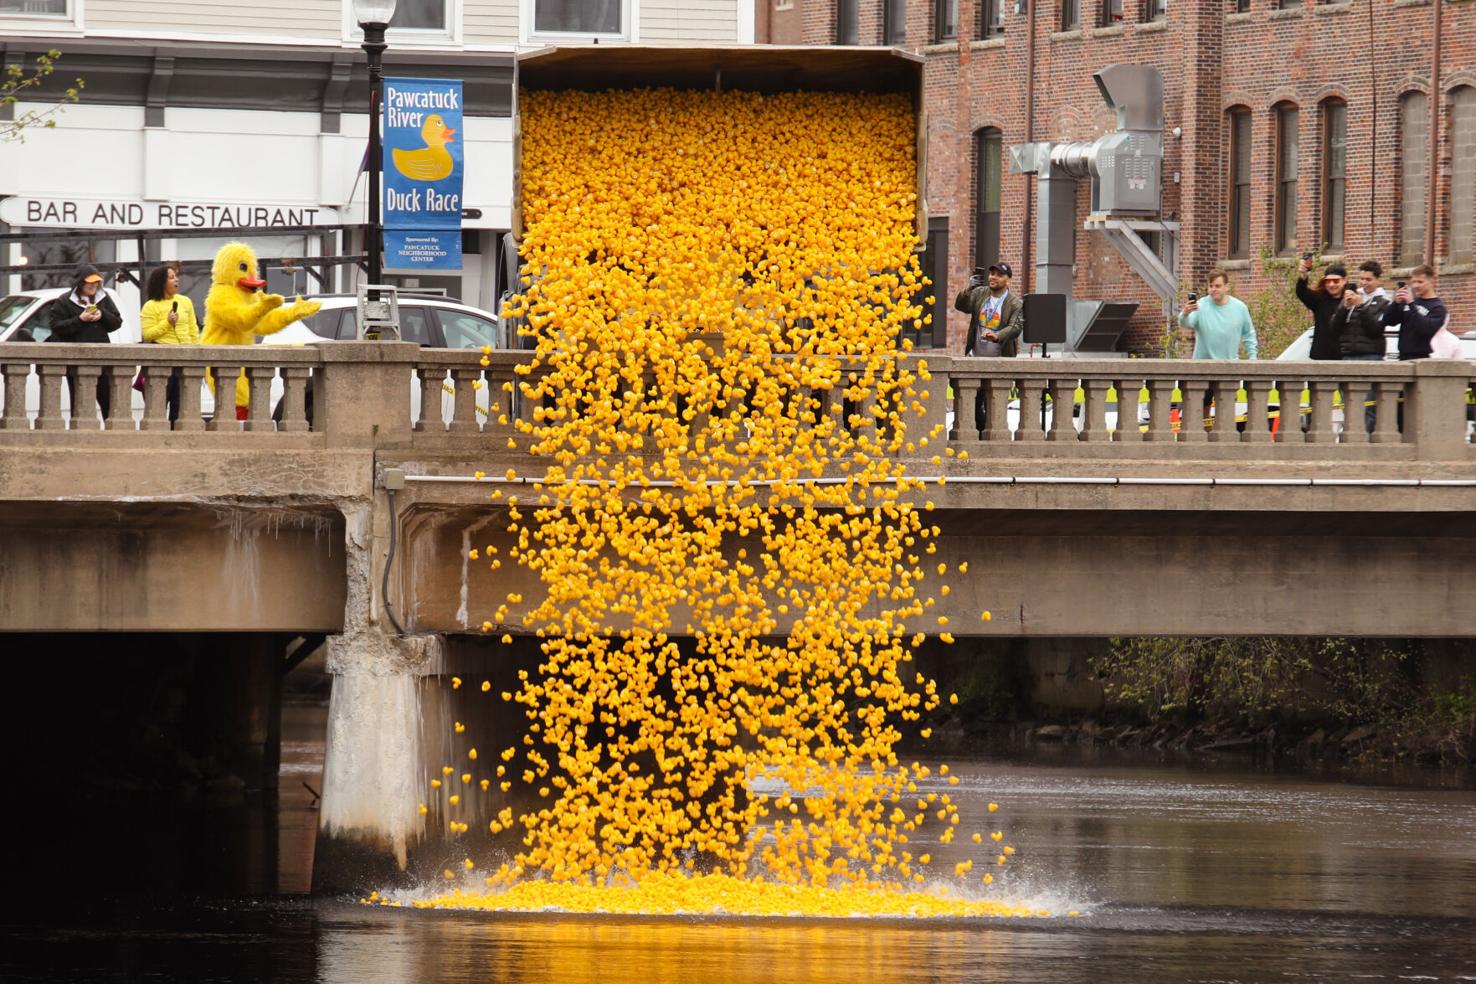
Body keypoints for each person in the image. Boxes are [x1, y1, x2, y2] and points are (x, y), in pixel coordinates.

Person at [48, 263, 124, 421]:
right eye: (90, 282)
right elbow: (56, 327)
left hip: (102, 358)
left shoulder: (103, 298)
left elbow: (117, 322)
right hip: (76, 359)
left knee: (108, 402)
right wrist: (80, 319)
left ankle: (110, 437)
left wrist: (102, 314)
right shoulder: (64, 301)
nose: (94, 285)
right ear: (80, 282)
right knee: (79, 405)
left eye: (96, 282)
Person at [955, 262, 1024, 433]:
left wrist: (998, 336)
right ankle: (977, 435)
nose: (993, 277)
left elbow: (1015, 327)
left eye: (999, 275)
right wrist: (968, 290)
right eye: (992, 273)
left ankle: (989, 437)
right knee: (974, 403)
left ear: (1008, 280)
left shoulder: (1015, 303)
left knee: (993, 403)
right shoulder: (980, 293)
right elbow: (961, 306)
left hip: (999, 361)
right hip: (976, 358)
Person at [1331, 260, 1392, 433]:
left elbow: (1375, 330)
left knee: (1367, 406)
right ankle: (1349, 437)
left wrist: (1361, 306)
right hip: (1348, 355)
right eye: (1362, 279)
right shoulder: (1350, 297)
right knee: (1348, 405)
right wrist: (1344, 307)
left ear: (1377, 280)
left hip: (1371, 357)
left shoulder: (1384, 302)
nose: (1364, 283)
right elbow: (1334, 328)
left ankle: (1365, 439)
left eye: (1369, 279)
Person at [140, 263, 201, 424]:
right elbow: (147, 334)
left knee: (181, 406)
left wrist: (197, 351)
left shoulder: (185, 301)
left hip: (186, 358)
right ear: (161, 282)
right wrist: (167, 323)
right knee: (159, 405)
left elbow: (193, 329)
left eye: (176, 277)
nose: (176, 280)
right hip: (162, 361)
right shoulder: (150, 306)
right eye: (172, 277)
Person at [1177, 270, 1257, 360]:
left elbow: (1249, 334)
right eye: (1211, 286)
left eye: (1217, 286)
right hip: (1202, 366)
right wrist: (1185, 313)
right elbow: (1186, 323)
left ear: (1227, 287)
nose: (1213, 289)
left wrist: (1253, 358)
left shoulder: (1240, 308)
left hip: (1230, 366)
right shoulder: (1200, 306)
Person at [1382, 265, 1447, 360]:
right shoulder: (1409, 302)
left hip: (1423, 357)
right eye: (1414, 282)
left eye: (1420, 282)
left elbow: (1425, 329)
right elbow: (1389, 321)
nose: (1416, 285)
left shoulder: (1438, 307)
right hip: (1403, 355)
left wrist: (1411, 305)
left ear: (1431, 281)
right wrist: (1395, 303)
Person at [1295, 258, 1347, 360]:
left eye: (1336, 281)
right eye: (1328, 281)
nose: (1332, 284)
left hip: (1343, 357)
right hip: (1320, 357)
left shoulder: (1351, 300)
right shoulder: (1320, 300)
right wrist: (1303, 276)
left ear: (1344, 281)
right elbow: (1302, 292)